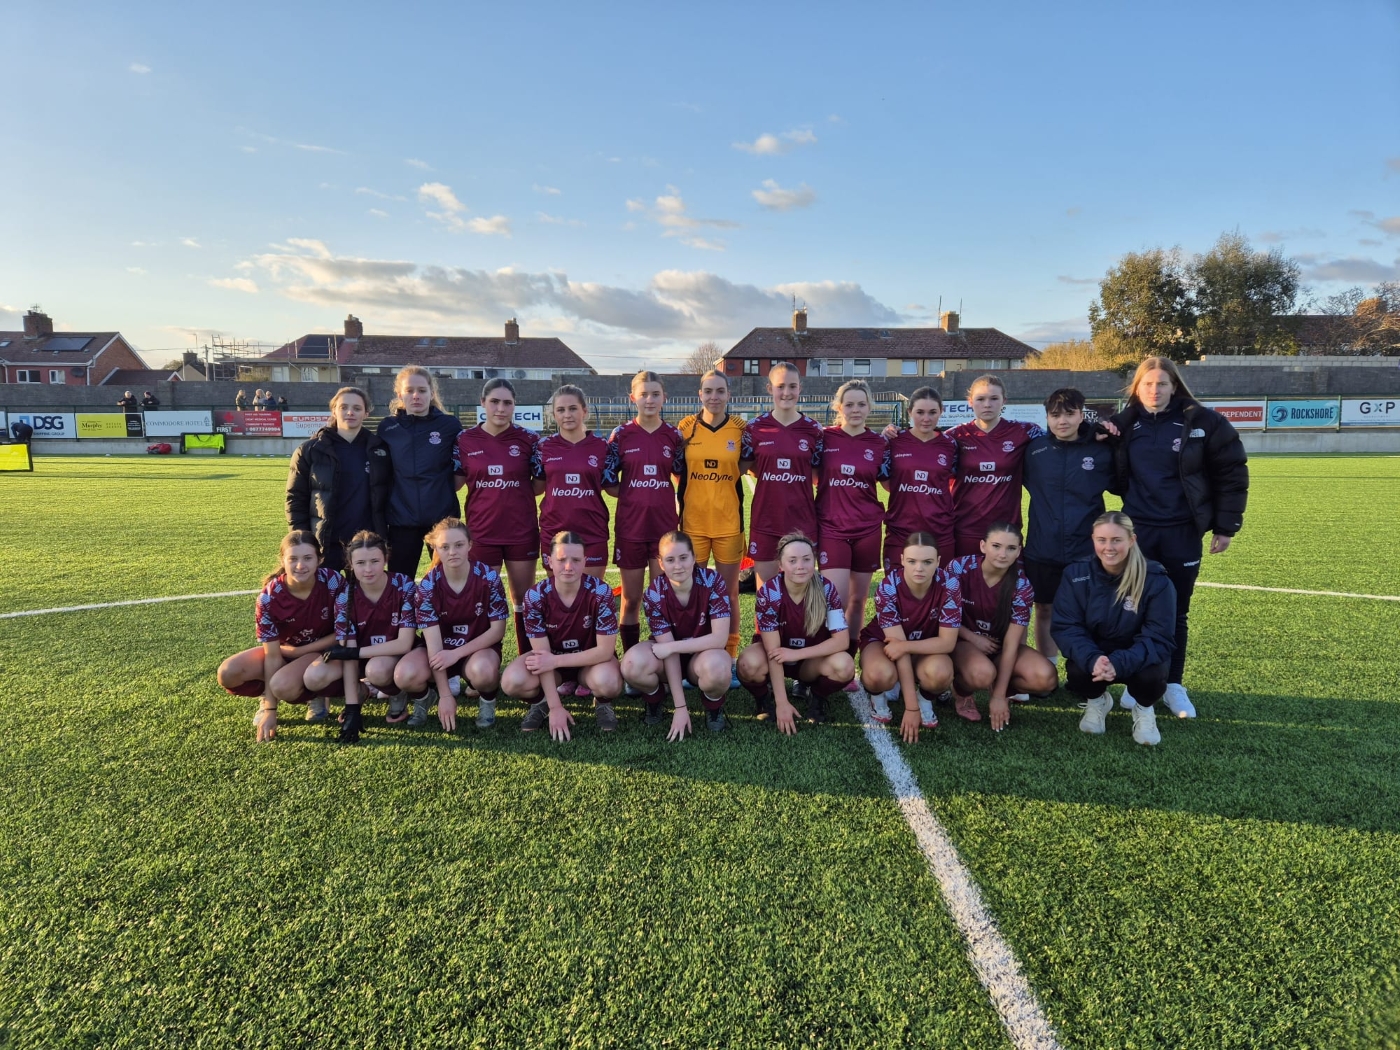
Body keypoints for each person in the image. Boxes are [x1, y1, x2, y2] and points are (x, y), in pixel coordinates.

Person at [1106, 356, 1248, 718]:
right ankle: (1137, 683)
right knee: (1131, 608)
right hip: (1137, 533)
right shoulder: (1125, 426)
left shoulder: (1204, 423)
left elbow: (1231, 473)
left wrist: (1226, 526)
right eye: (1148, 384)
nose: (1154, 390)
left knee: (1176, 611)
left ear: (1174, 386)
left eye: (1162, 384)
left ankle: (1173, 685)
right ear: (1137, 388)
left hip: (1183, 531)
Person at [1052, 512, 1177, 746]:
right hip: (1097, 654)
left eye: (1116, 540)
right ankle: (1097, 700)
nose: (1108, 547)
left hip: (1137, 656)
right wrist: (1093, 659)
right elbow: (1066, 626)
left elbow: (1159, 637)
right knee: (1078, 670)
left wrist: (1119, 662)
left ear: (1131, 540)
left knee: (1153, 676)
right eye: (1102, 540)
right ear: (1093, 539)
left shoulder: (1156, 580)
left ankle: (1144, 708)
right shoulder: (1076, 574)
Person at [216, 530, 344, 741]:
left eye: (308, 558)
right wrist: (270, 709)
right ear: (282, 560)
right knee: (228, 673)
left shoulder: (333, 581)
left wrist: (298, 651)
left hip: (323, 653)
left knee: (284, 686)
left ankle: (316, 694)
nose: (300, 565)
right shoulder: (268, 597)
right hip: (284, 654)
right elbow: (273, 655)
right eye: (293, 559)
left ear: (319, 559)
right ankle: (267, 696)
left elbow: (343, 633)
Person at [1022, 388, 1117, 663]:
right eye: (1055, 415)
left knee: (1088, 611)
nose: (1062, 421)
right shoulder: (1035, 451)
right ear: (1047, 418)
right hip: (1042, 547)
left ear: (1081, 415)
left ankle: (1086, 667)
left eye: (1069, 414)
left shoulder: (1102, 450)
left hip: (1086, 550)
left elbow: (1122, 484)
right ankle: (1048, 668)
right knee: (1044, 609)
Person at [502, 531, 623, 740]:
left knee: (609, 682)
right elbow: (542, 656)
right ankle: (541, 703)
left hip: (590, 663)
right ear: (549, 561)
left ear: (585, 561)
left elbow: (605, 651)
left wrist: (556, 660)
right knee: (512, 681)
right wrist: (555, 706)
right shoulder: (535, 596)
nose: (568, 566)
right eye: (561, 560)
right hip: (552, 665)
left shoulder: (600, 592)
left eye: (576, 560)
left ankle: (602, 702)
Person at [394, 518, 508, 732]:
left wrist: (456, 654)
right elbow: (434, 646)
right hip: (439, 652)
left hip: (477, 649)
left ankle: (487, 702)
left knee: (484, 671)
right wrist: (445, 695)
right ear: (435, 548)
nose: (452, 552)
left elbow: (497, 631)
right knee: (405, 674)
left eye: (459, 545)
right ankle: (426, 698)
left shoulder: (488, 578)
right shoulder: (427, 586)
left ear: (470, 545)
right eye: (445, 547)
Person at [301, 531, 417, 743]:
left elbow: (404, 643)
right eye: (361, 563)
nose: (368, 569)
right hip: (360, 658)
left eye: (375, 561)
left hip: (393, 657)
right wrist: (352, 707)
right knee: (313, 677)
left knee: (377, 670)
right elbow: (349, 653)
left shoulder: (404, 585)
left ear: (385, 559)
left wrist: (354, 652)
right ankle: (360, 692)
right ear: (351, 564)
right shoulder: (345, 597)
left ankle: (396, 693)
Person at [736, 531, 854, 734]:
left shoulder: (826, 588)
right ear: (781, 565)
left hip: (810, 662)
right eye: (792, 560)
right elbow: (773, 652)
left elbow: (842, 641)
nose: (800, 566)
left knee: (844, 665)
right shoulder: (769, 592)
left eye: (806, 559)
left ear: (814, 561)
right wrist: (782, 703)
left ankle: (816, 697)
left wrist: (796, 654)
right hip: (775, 657)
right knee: (748, 663)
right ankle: (765, 700)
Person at [453, 378, 540, 647]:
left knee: (523, 599)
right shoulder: (465, 440)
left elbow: (539, 486)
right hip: (481, 532)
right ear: (483, 403)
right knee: (484, 598)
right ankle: (486, 660)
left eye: (507, 403)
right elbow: (455, 483)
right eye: (494, 402)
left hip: (521, 531)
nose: (501, 408)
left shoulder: (529, 440)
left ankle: (528, 658)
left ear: (514, 405)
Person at [621, 531, 734, 738]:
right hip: (667, 661)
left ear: (694, 557)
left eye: (683, 558)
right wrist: (680, 707)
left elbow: (719, 639)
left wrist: (672, 647)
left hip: (703, 656)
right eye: (670, 560)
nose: (678, 566)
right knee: (631, 664)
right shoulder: (654, 593)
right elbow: (668, 654)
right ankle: (656, 698)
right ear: (661, 563)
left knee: (718, 668)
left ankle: (713, 704)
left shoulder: (713, 581)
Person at [945, 523, 1058, 729]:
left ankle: (999, 687)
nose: (1003, 554)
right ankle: (962, 691)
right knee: (981, 673)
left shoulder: (1022, 586)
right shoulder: (959, 568)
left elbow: (1011, 644)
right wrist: (973, 638)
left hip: (998, 648)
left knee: (1045, 678)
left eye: (1011, 548)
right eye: (996, 546)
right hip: (961, 641)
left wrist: (999, 695)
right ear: (983, 546)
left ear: (1018, 551)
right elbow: (944, 617)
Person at [605, 370, 684, 656]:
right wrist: (633, 495)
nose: (649, 400)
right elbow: (608, 481)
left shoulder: (674, 436)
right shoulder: (621, 435)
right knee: (631, 598)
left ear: (664, 398)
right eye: (643, 394)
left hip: (664, 530)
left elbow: (681, 476)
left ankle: (662, 656)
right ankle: (630, 657)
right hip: (631, 528)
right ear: (633, 398)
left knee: (662, 597)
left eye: (655, 394)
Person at [859, 532, 962, 743]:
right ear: (902, 559)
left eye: (927, 562)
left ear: (938, 561)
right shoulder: (888, 587)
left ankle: (925, 699)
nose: (919, 568)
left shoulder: (950, 584)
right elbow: (896, 646)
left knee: (941, 672)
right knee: (878, 674)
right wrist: (910, 707)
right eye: (912, 561)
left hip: (923, 645)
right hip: (884, 643)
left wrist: (906, 647)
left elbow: (947, 642)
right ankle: (878, 696)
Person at [815, 379, 890, 660]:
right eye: (849, 404)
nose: (855, 410)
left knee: (858, 600)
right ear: (839, 407)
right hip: (831, 527)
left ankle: (847, 656)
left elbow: (889, 484)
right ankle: (824, 657)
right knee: (834, 600)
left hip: (867, 528)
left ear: (870, 407)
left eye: (861, 404)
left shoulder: (880, 443)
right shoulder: (824, 438)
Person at [675, 369, 747, 660]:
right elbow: (676, 469)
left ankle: (730, 654)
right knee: (693, 592)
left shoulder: (741, 429)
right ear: (700, 395)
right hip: (693, 524)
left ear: (729, 394)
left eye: (720, 391)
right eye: (708, 391)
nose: (714, 397)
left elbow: (749, 466)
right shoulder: (685, 428)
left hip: (729, 523)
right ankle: (694, 653)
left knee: (729, 593)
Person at [285, 386, 392, 571]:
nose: (350, 412)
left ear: (366, 413)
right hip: (326, 544)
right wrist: (302, 539)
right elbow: (295, 498)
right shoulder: (310, 450)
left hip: (366, 545)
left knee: (363, 591)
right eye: (343, 407)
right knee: (325, 590)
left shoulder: (380, 450)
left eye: (357, 408)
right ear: (334, 410)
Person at [376, 365, 463, 578]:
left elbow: (463, 466)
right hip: (401, 520)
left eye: (422, 390)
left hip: (442, 520)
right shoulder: (387, 428)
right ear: (400, 395)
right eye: (410, 390)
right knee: (400, 583)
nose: (416, 396)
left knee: (447, 580)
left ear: (432, 393)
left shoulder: (449, 425)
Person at [741, 362, 823, 587]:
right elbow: (743, 467)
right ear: (770, 388)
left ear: (800, 388)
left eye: (792, 386)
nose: (786, 392)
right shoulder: (754, 428)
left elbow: (817, 475)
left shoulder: (814, 430)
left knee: (802, 592)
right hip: (766, 521)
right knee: (766, 594)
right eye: (780, 386)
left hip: (802, 522)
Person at [945, 375, 1043, 557]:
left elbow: (1061, 440)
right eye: (980, 399)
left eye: (994, 398)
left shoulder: (1025, 431)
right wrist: (893, 435)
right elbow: (922, 448)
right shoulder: (953, 436)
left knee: (1007, 577)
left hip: (1007, 531)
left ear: (1004, 401)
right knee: (966, 576)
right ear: (970, 401)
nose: (987, 404)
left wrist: (1092, 434)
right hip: (964, 529)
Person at [531, 385, 611, 576]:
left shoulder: (602, 446)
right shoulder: (543, 446)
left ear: (584, 411)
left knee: (592, 591)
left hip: (592, 530)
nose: (567, 415)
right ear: (554, 414)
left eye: (573, 408)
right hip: (554, 531)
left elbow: (611, 486)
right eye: (561, 410)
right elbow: (537, 487)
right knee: (557, 592)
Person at [883, 386, 957, 570]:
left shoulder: (950, 444)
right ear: (910, 412)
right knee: (897, 585)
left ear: (941, 411)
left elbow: (953, 481)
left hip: (940, 530)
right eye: (920, 412)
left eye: (932, 412)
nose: (926, 418)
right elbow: (886, 481)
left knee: (941, 585)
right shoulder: (893, 440)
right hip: (900, 529)